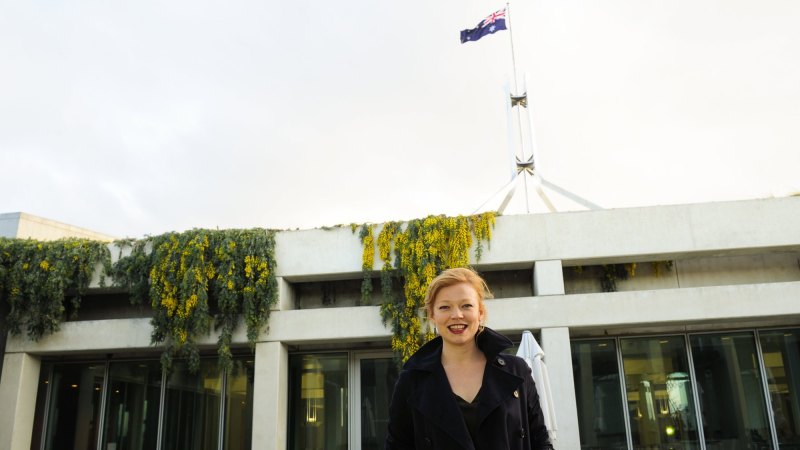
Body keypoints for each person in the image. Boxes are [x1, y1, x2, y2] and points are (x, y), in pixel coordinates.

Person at [385, 267, 554, 450]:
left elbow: (540, 441)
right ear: (432, 315)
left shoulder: (516, 370)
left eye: (466, 305)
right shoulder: (412, 381)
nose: (457, 315)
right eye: (445, 307)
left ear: (480, 313)